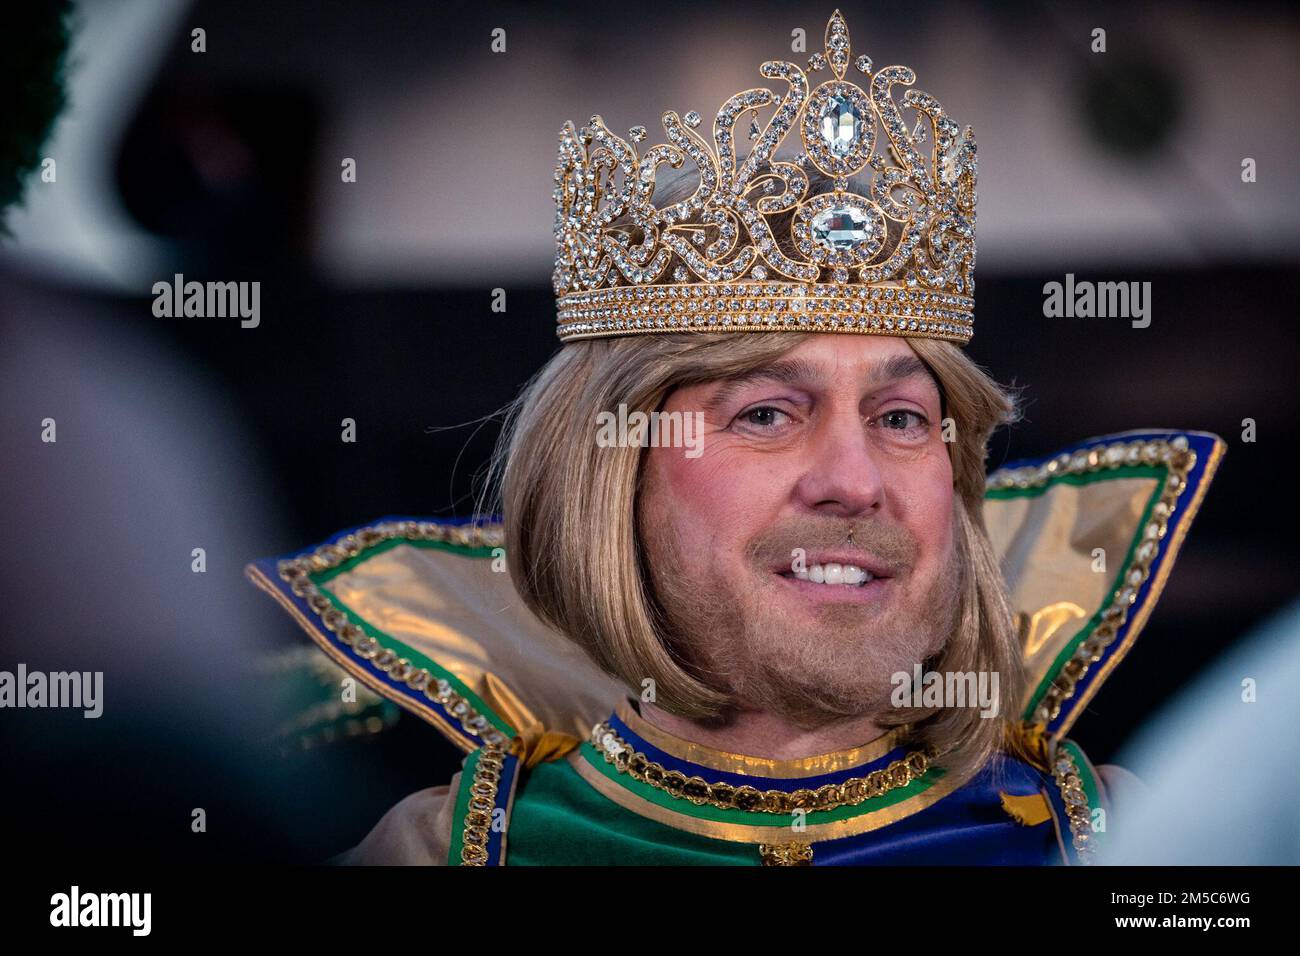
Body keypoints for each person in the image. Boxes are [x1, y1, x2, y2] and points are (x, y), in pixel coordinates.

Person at [246, 9, 1224, 865]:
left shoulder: (1133, 839)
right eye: (764, 413)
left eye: (899, 418)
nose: (853, 480)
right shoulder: (445, 853)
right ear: (610, 476)